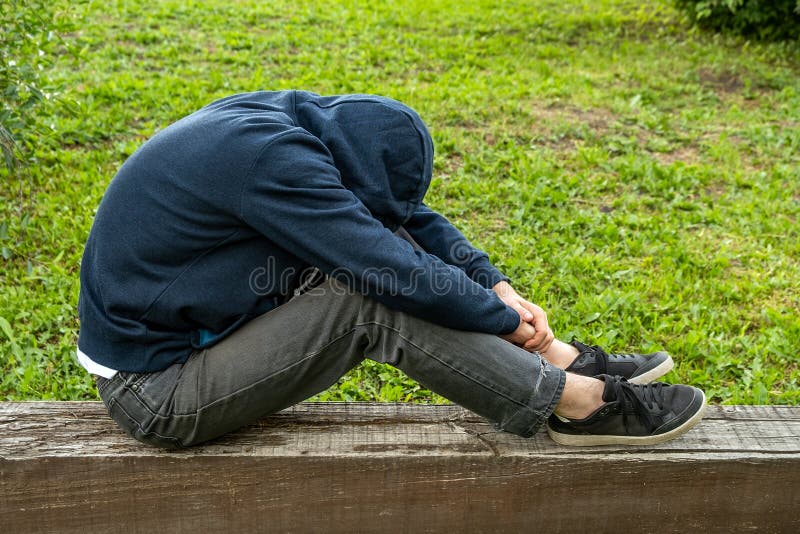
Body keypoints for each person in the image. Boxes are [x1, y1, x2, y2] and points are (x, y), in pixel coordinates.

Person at [77, 91, 705, 449]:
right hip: (154, 390)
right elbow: (386, 269)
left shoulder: (294, 125)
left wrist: (495, 286)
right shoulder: (271, 164)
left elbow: (408, 220)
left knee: (380, 252)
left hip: (191, 341)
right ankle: (578, 405)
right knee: (368, 300)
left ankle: (563, 360)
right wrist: (501, 323)